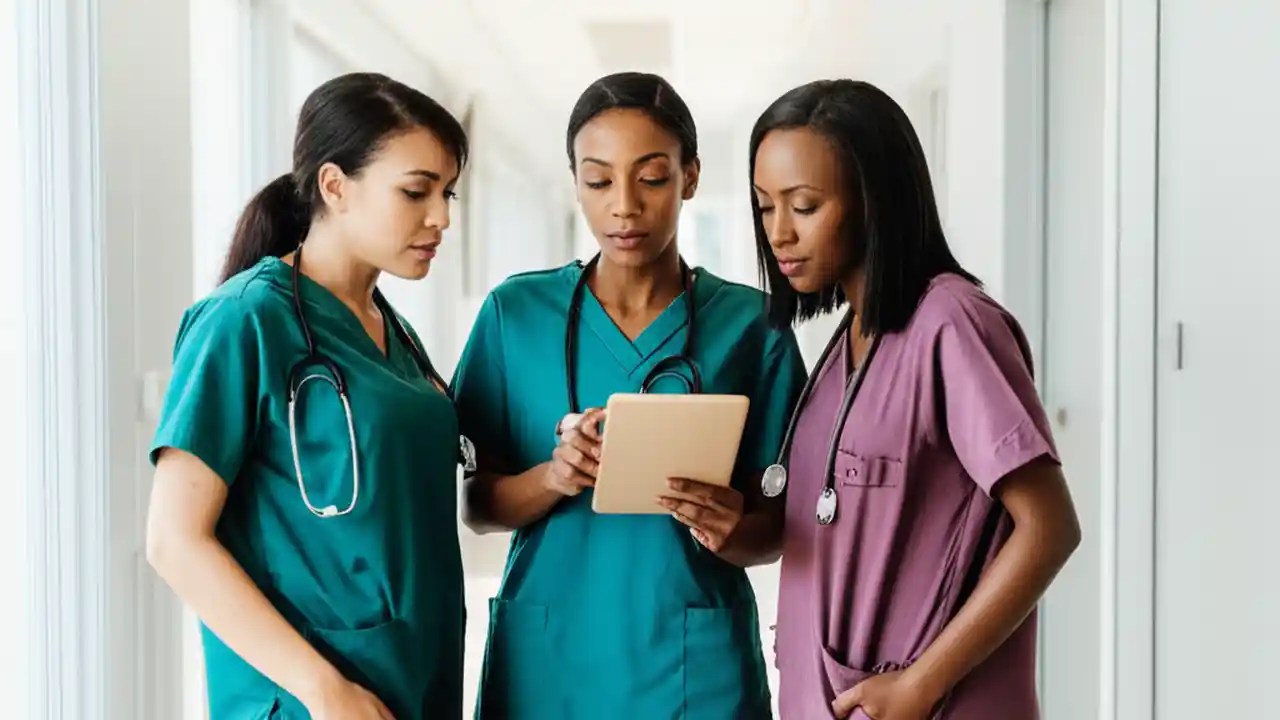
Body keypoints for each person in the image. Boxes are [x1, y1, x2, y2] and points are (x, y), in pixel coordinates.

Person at [453, 71, 806, 718]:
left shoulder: (752, 327)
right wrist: (554, 477)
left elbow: (780, 525)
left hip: (691, 662)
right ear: (575, 184)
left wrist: (730, 531)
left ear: (689, 177)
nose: (623, 205)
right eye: (598, 180)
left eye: (651, 178)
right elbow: (479, 505)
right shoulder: (514, 316)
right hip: (548, 656)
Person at [750, 79, 1082, 720]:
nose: (779, 234)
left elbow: (1049, 528)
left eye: (805, 205)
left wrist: (921, 684)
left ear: (874, 200)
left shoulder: (951, 324)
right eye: (766, 207)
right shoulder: (843, 346)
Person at [145, 72, 470, 720]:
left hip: (415, 680)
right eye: (416, 192)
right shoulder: (244, 321)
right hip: (308, 700)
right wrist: (323, 689)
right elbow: (174, 541)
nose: (441, 218)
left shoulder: (392, 329)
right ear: (333, 186)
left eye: (448, 193)